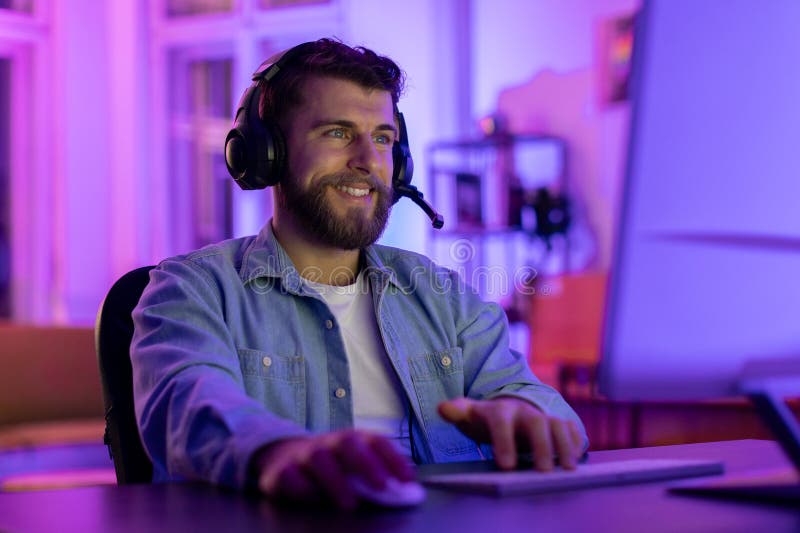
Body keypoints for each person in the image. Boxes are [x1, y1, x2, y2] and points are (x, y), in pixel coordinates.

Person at [131, 38, 588, 510]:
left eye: (384, 139)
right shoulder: (191, 291)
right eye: (337, 132)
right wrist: (277, 452)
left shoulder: (445, 297)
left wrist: (526, 415)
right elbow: (187, 404)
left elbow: (533, 400)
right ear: (267, 151)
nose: (369, 162)